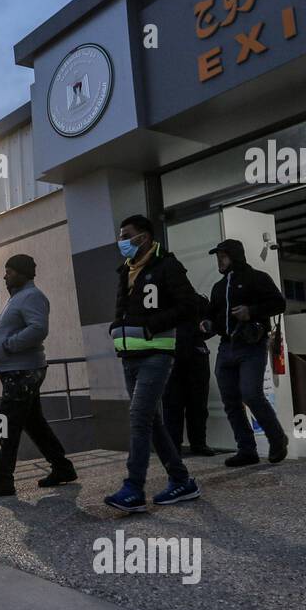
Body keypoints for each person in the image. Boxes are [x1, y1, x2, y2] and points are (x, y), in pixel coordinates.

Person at [105, 215, 200, 513]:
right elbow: (124, 308)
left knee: (139, 418)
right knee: (152, 421)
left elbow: (190, 305)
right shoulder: (126, 270)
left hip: (156, 355)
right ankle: (182, 481)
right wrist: (115, 326)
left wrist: (151, 326)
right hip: (129, 356)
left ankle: (134, 488)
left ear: (144, 237)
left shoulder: (166, 266)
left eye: (127, 235)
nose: (122, 240)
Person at [0, 254, 77, 498]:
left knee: (4, 423)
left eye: (8, 271)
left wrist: (9, 346)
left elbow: (38, 329)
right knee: (33, 422)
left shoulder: (32, 296)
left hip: (23, 372)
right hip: (16, 371)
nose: (5, 276)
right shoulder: (18, 298)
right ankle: (62, 468)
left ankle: (0, 480)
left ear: (21, 272)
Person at [202, 238, 289, 467]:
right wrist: (207, 324)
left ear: (234, 256)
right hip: (226, 346)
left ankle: (277, 439)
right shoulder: (219, 288)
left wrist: (251, 311)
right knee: (231, 401)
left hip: (252, 345)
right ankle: (247, 450)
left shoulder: (257, 278)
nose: (219, 261)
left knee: (251, 394)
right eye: (217, 257)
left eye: (223, 256)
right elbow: (213, 315)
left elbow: (279, 304)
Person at [163, 292, 216, 455]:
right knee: (172, 405)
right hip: (172, 356)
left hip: (195, 355)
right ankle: (173, 446)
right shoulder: (161, 302)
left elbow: (212, 324)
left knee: (198, 404)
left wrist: (205, 329)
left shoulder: (198, 300)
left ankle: (198, 444)